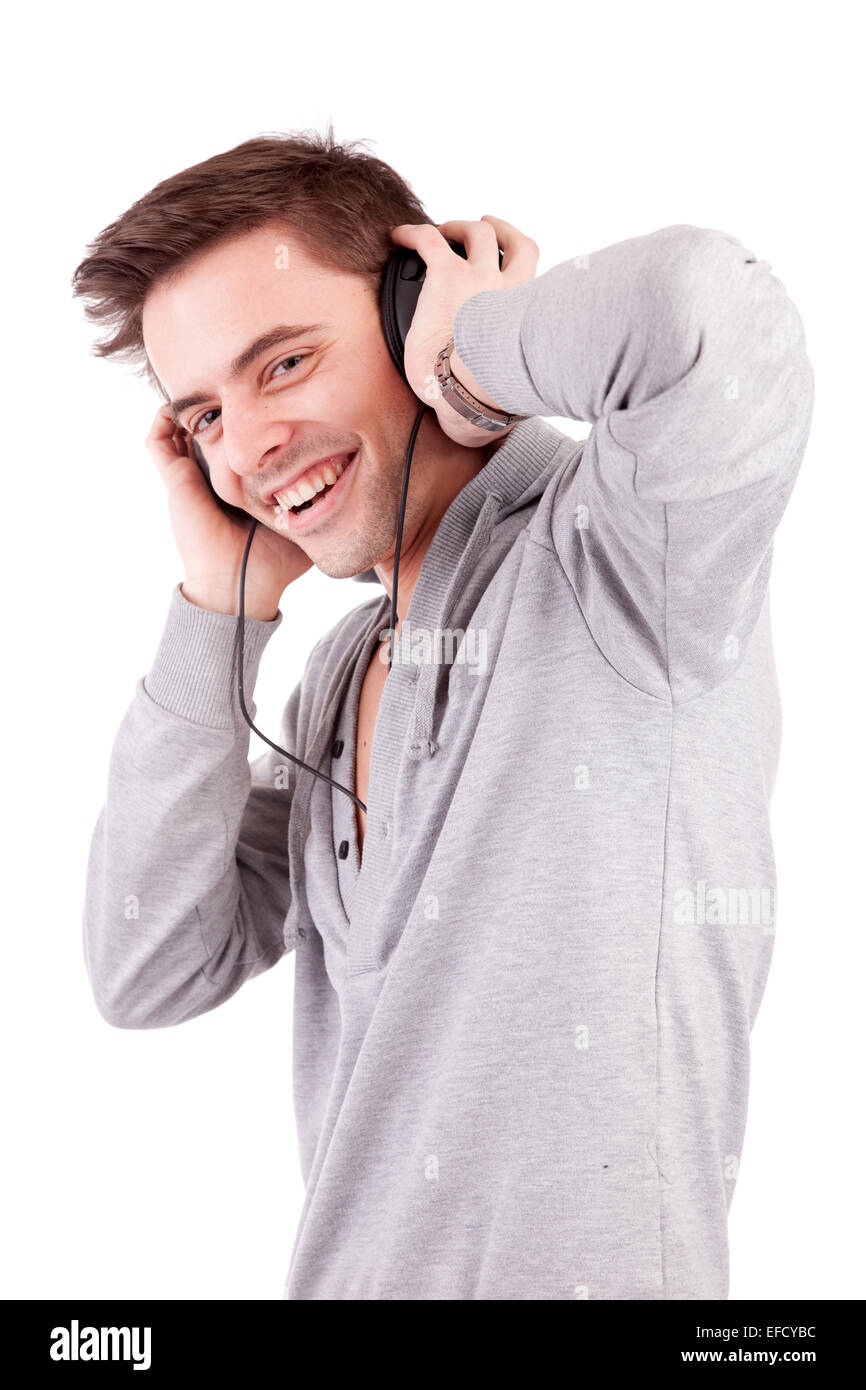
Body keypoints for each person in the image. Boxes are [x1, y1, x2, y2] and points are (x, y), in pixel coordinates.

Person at [73, 125, 814, 1300]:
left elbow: (710, 312)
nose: (251, 448)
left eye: (281, 364)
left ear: (405, 314)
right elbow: (147, 961)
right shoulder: (330, 684)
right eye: (205, 416)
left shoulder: (619, 555)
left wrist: (478, 360)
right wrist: (219, 609)